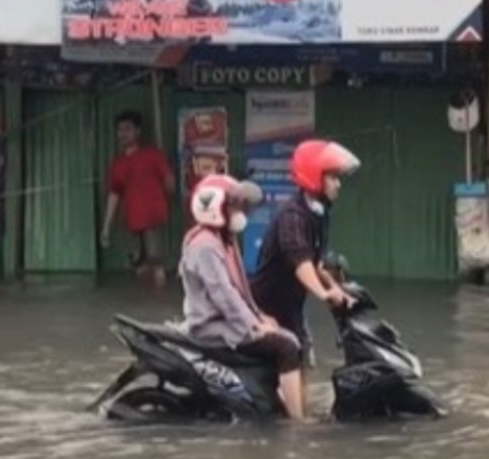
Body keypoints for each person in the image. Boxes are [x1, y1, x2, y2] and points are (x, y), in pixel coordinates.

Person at [179, 174, 308, 421]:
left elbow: (239, 291)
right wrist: (252, 326)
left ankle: (275, 403)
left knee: (287, 335)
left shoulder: (224, 240)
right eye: (234, 206)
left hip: (227, 323)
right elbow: (224, 296)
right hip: (212, 328)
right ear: (215, 208)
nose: (241, 212)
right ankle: (297, 422)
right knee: (287, 347)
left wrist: (259, 316)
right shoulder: (205, 246)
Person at [249, 139, 360, 402]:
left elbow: (315, 262)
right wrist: (324, 295)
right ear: (314, 177)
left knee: (305, 361)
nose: (338, 184)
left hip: (292, 306)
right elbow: (300, 263)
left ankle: (299, 410)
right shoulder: (293, 216)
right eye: (332, 177)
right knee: (292, 357)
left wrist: (336, 288)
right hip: (266, 307)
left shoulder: (319, 213)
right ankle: (297, 422)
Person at [100, 110, 175, 287]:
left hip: (153, 218)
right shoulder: (118, 164)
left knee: (156, 262)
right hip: (131, 221)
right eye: (120, 130)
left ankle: (159, 297)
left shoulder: (152, 155)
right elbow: (114, 195)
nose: (123, 134)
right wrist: (106, 227)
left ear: (138, 132)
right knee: (137, 264)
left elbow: (169, 181)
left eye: (128, 129)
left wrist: (161, 203)